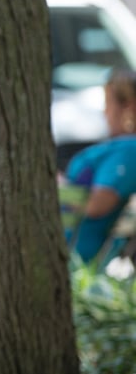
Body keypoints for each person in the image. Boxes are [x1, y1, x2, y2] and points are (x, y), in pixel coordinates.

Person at [63, 69, 136, 264]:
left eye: (108, 103)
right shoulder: (121, 146)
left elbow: (97, 205)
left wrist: (57, 189)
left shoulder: (129, 150)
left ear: (128, 108)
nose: (105, 112)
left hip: (77, 256)